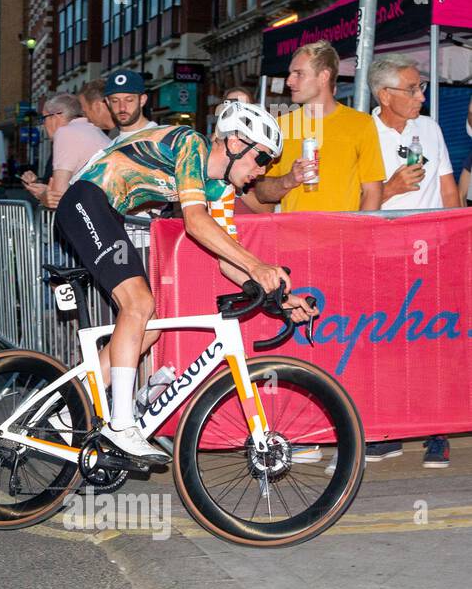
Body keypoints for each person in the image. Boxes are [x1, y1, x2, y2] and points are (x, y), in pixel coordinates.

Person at [53, 101, 315, 459]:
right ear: (236, 142)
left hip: (107, 212)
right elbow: (195, 222)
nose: (262, 170)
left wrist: (279, 296)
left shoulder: (218, 188)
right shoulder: (192, 144)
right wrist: (258, 267)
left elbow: (228, 260)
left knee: (150, 325)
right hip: (86, 200)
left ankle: (70, 407)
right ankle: (121, 424)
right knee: (139, 304)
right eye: (262, 158)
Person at [367, 56, 461, 468]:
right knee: (386, 343)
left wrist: (457, 242)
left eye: (421, 87)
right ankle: (387, 432)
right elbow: (350, 204)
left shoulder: (431, 128)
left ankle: (436, 430)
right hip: (383, 251)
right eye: (413, 89)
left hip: (432, 251)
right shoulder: (363, 133)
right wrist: (388, 190)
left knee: (432, 341)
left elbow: (449, 189)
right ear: (385, 95)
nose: (421, 96)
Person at [253, 41, 384, 212]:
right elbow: (261, 192)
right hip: (293, 235)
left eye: (299, 74)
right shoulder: (280, 126)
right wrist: (289, 180)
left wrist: (357, 235)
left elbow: (372, 193)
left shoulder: (361, 124)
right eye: (290, 74)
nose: (289, 81)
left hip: (342, 236)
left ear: (323, 77)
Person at [21, 92, 108, 209]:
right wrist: (39, 185)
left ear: (55, 117)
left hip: (90, 217)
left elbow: (57, 198)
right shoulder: (95, 130)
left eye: (44, 118)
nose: (43, 124)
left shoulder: (65, 133)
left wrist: (42, 195)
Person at [103, 69, 159, 143]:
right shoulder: (110, 148)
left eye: (129, 100)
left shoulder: (163, 138)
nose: (122, 108)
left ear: (142, 100)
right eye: (115, 101)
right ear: (108, 102)